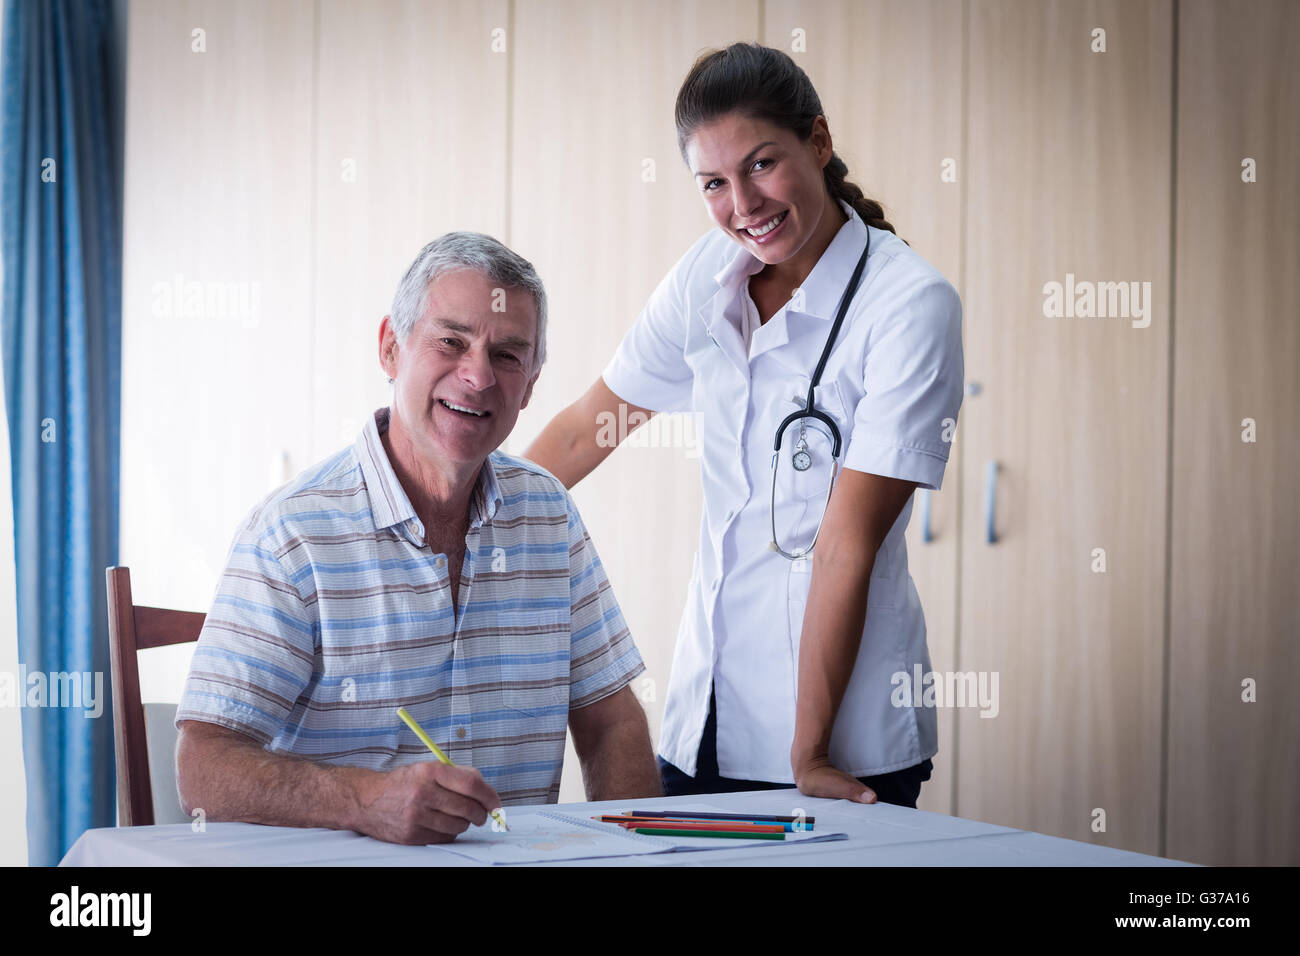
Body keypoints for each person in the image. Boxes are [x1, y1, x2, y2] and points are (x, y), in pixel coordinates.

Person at [523, 43, 964, 808]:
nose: (743, 204)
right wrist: (463, 509)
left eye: (761, 165)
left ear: (818, 143)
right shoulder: (706, 276)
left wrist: (810, 754)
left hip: (843, 740)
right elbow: (590, 425)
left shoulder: (908, 306)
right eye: (714, 184)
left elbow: (844, 545)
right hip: (708, 716)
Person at [174, 232, 660, 845]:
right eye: (451, 342)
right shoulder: (292, 531)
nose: (478, 376)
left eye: (508, 355)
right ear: (390, 349)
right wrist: (360, 800)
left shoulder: (549, 514)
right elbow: (202, 767)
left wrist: (635, 853)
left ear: (531, 385)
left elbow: (612, 721)